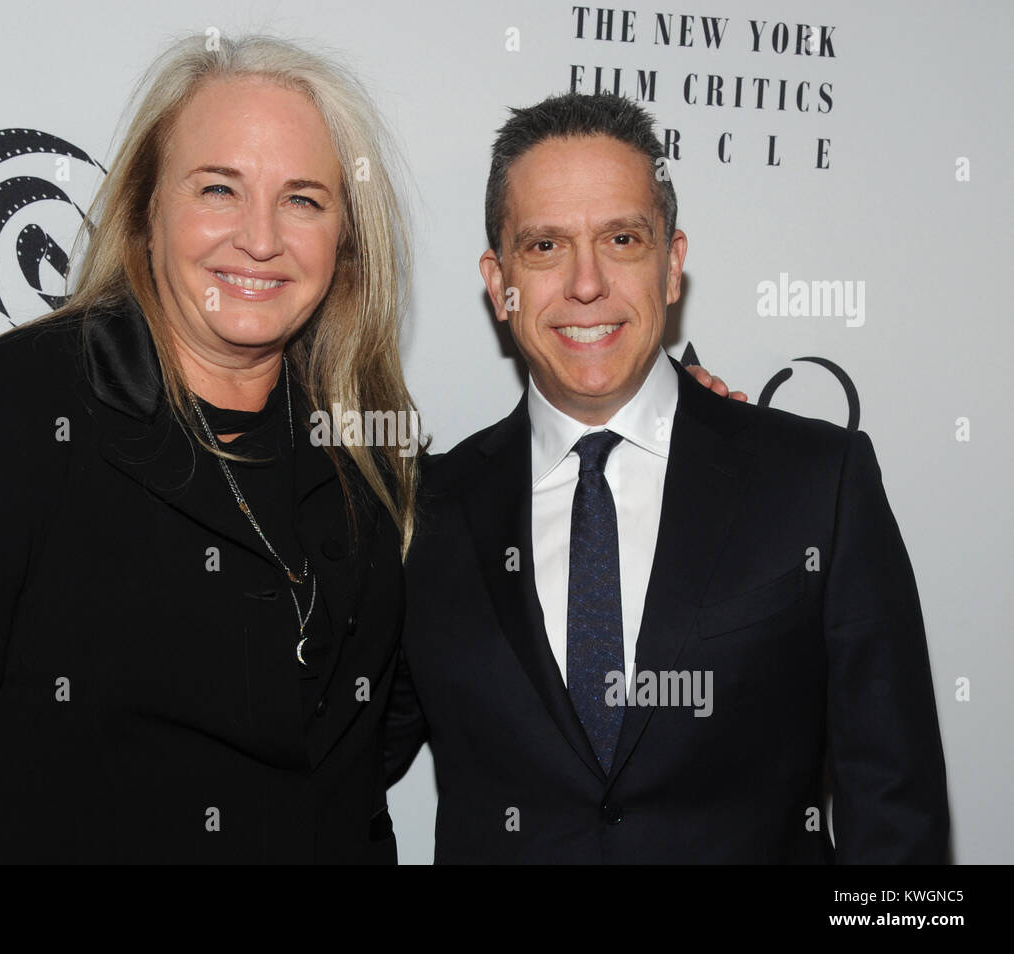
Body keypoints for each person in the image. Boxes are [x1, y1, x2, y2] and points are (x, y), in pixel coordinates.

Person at [0, 32, 422, 864]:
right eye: (218, 188)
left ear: (347, 236)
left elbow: (351, 788)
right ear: (148, 209)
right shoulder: (16, 409)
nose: (260, 239)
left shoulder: (360, 455)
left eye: (303, 199)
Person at [384, 92, 950, 863]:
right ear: (499, 281)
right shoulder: (426, 513)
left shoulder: (818, 484)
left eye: (622, 238)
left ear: (672, 264)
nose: (587, 284)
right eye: (545, 246)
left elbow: (898, 820)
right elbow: (334, 771)